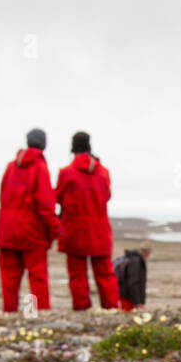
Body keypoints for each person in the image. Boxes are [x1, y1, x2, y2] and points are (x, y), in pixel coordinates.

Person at [0, 129, 59, 313]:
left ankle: (9, 313)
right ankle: (33, 316)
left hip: (7, 231)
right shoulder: (39, 168)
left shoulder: (11, 167)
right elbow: (46, 205)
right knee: (36, 276)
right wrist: (55, 230)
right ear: (43, 145)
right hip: (31, 233)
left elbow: (3, 196)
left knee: (9, 277)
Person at [56, 131, 120, 310]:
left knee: (77, 274)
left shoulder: (66, 173)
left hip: (75, 230)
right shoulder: (103, 173)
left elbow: (58, 196)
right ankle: (111, 308)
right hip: (99, 230)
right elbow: (106, 196)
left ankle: (82, 309)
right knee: (105, 274)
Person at [115, 243, 152, 310]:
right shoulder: (136, 261)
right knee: (128, 315)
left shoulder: (133, 258)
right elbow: (133, 282)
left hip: (127, 295)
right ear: (147, 253)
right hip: (128, 297)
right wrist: (137, 302)